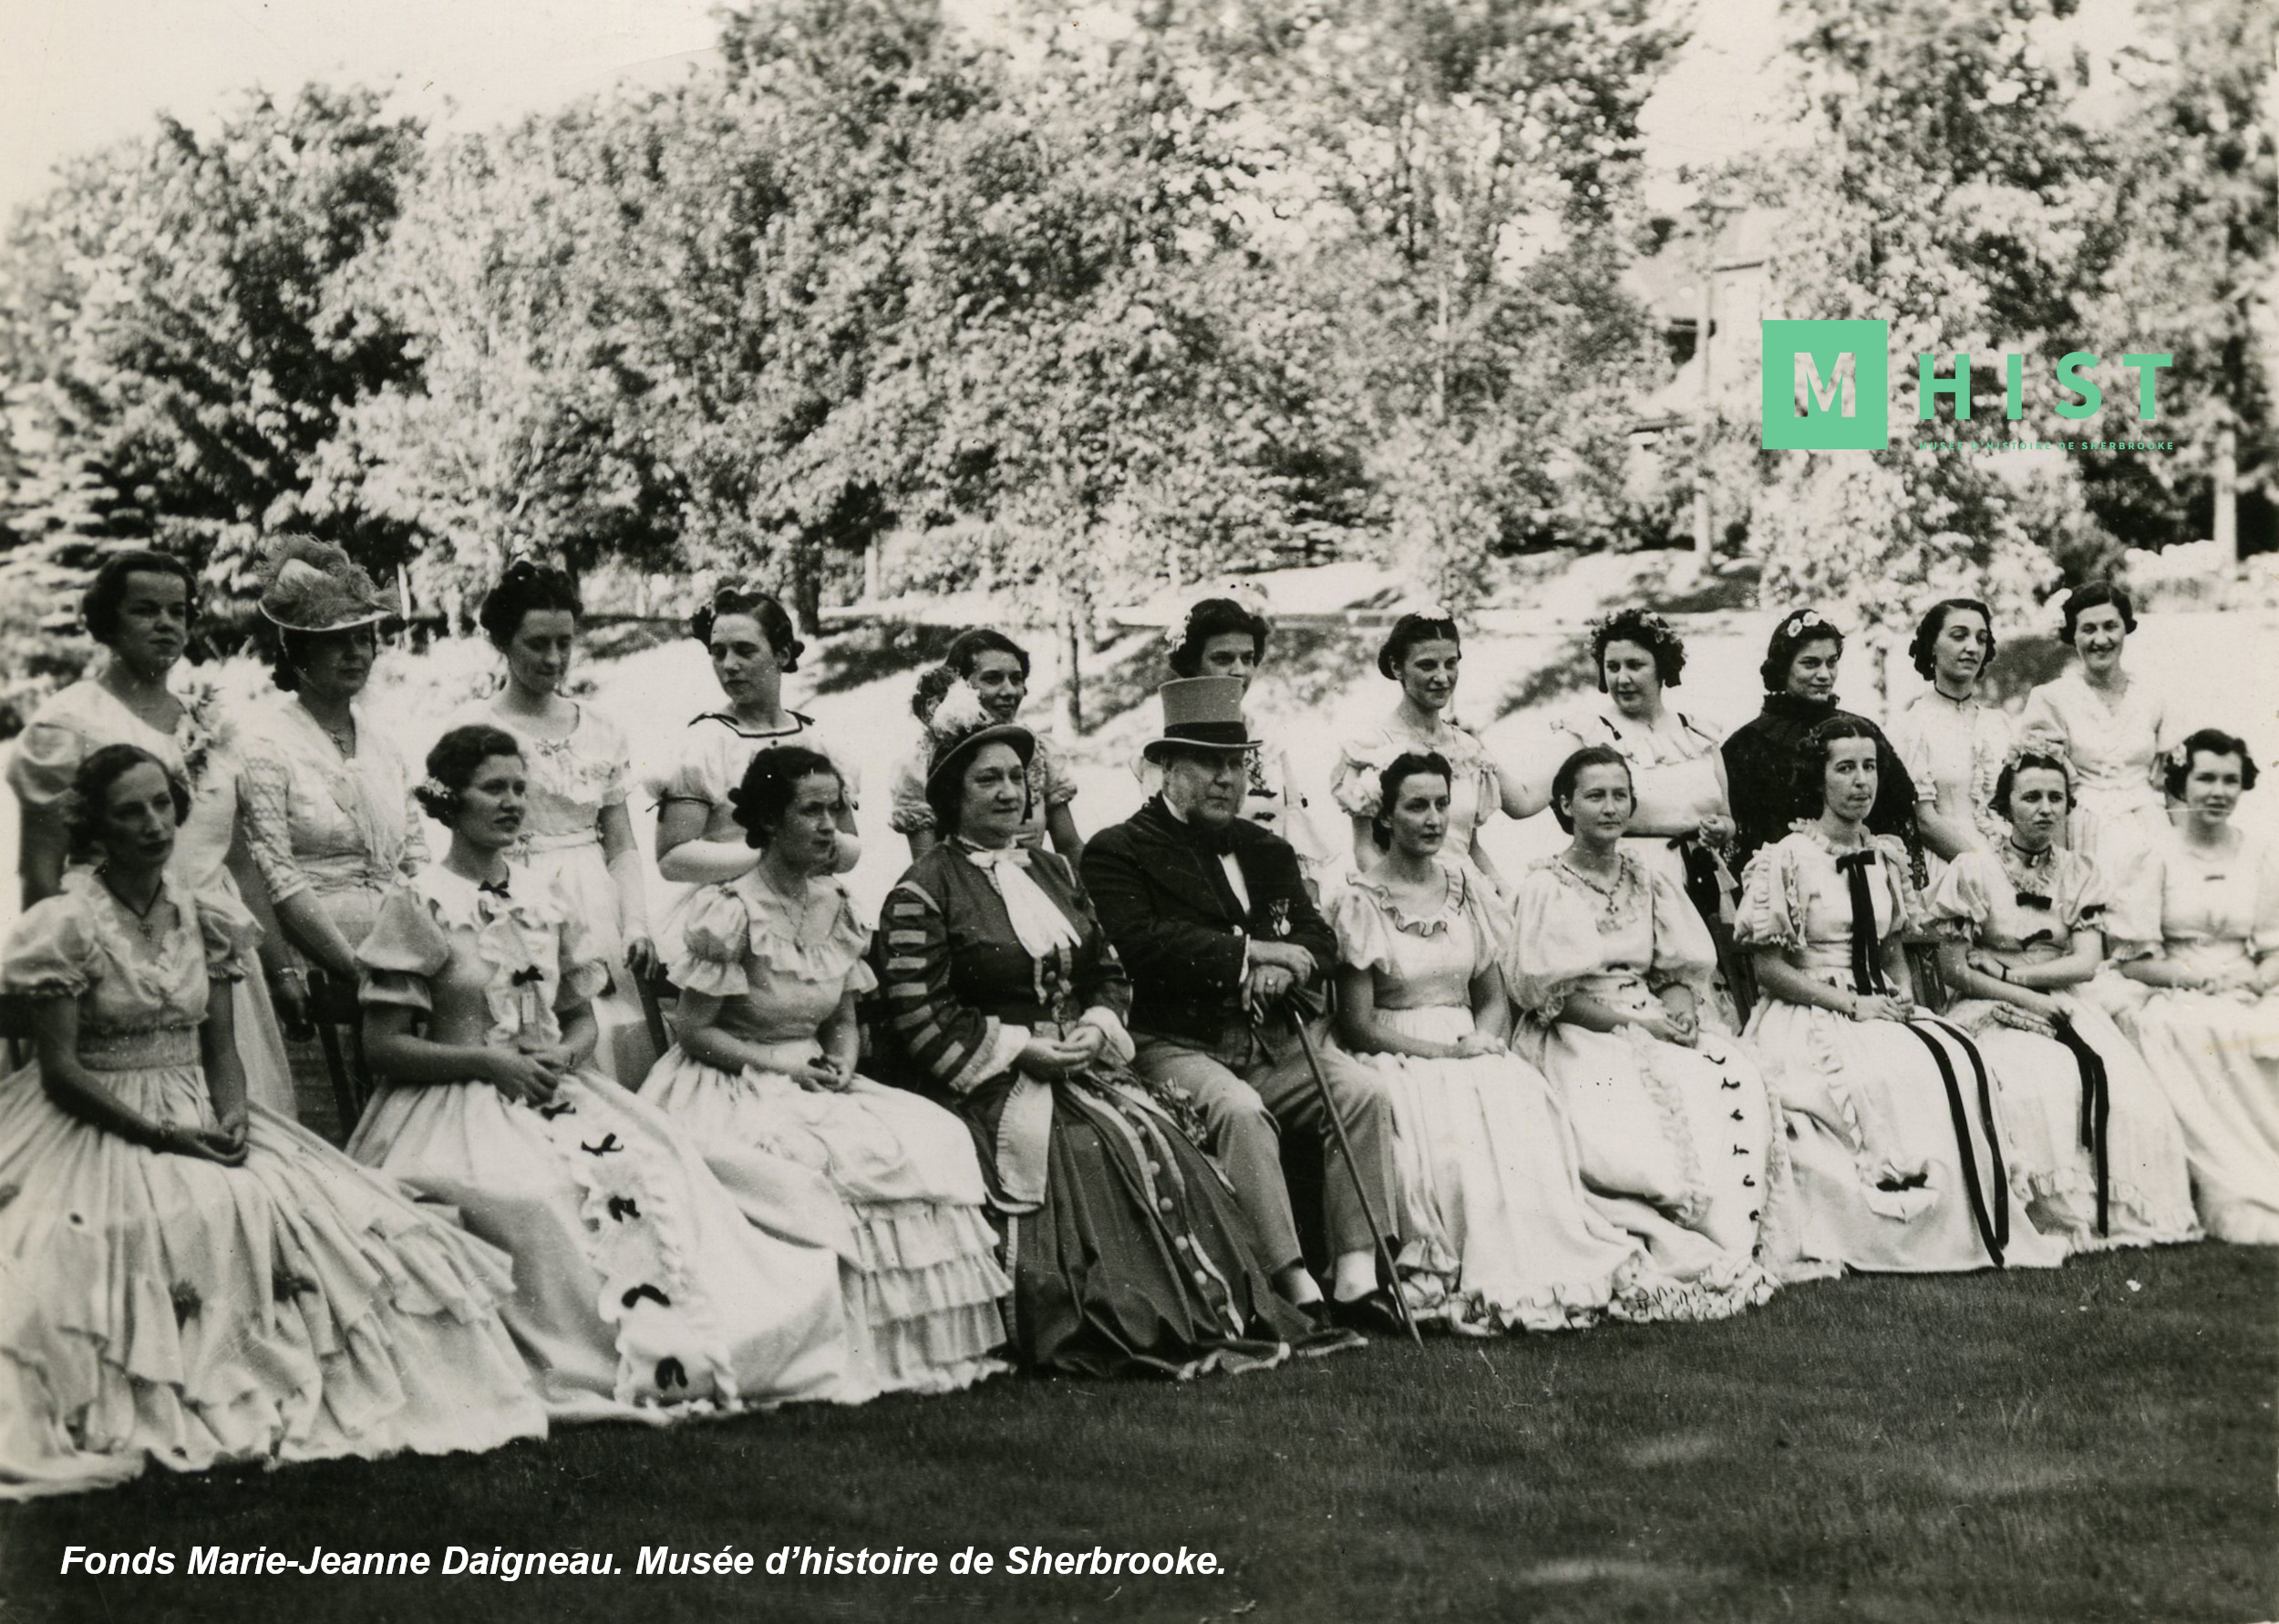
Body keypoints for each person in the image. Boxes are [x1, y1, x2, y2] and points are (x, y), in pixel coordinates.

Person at [0, 745, 544, 1496]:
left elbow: (219, 1047)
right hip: (94, 1113)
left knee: (316, 1216)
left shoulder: (207, 915)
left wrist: (231, 1117)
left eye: (162, 804)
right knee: (143, 1220)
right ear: (95, 826)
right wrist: (161, 1137)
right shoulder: (65, 923)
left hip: (198, 1100)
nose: (154, 824)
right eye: (130, 811)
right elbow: (59, 1071)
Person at [350, 726, 865, 1419]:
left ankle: (716, 1336)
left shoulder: (543, 894)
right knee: (535, 1195)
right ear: (448, 802)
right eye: (492, 789)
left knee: (666, 1167)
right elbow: (382, 1047)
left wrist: (566, 1054)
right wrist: (488, 1060)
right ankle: (592, 1355)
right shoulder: (420, 902)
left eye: (518, 789)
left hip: (557, 1089)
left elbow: (578, 1018)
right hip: (453, 1103)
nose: (510, 803)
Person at [874, 698, 1356, 1374]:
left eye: (1017, 776)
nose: (1011, 791)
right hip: (988, 1081)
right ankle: (1116, 1315)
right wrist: (1021, 1050)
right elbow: (920, 1013)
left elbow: (1107, 969)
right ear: (952, 795)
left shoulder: (1053, 873)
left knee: (1162, 1135)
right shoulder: (923, 890)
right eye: (988, 780)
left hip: (1080, 1065)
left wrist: (1099, 1025)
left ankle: (1214, 1309)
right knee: (1088, 1148)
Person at [644, 745, 1010, 1394]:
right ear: (768, 823)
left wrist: (841, 1060)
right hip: (728, 1078)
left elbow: (841, 1016)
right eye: (810, 811)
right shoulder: (728, 909)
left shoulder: (836, 902)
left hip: (815, 1073)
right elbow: (697, 1032)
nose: (828, 827)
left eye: (835, 810)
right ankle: (819, 1346)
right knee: (804, 1162)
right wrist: (780, 1068)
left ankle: (910, 1351)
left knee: (931, 1136)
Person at [1327, 750, 1702, 1331]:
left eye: (1441, 806)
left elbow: (1493, 997)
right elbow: (1357, 1024)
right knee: (1447, 1142)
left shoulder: (1466, 889)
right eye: (1417, 806)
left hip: (1471, 1039)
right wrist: (1447, 1054)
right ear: (1386, 817)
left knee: (1521, 1101)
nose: (1432, 820)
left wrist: (1485, 1044)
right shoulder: (1360, 901)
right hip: (1398, 1049)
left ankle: (1549, 1257)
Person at [1086, 677, 1408, 1332]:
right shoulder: (1118, 849)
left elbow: (1315, 936)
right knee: (1239, 1111)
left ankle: (1354, 1277)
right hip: (1174, 1043)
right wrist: (1252, 955)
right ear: (1166, 769)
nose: (1225, 779)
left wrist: (1289, 967)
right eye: (1207, 763)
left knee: (1363, 1094)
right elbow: (1140, 945)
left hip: (1270, 1042)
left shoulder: (1266, 848)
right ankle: (1288, 1286)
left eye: (1235, 764)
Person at [1733, 716, 2066, 1274]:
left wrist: (1905, 1004)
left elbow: (1892, 952)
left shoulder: (1885, 855)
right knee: (1880, 1080)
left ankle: (1969, 1227)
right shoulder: (1785, 857)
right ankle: (1897, 1228)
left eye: (1869, 768)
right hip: (1810, 1009)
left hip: (1880, 1004)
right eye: (1845, 768)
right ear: (1818, 779)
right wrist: (1852, 1006)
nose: (1861, 781)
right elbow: (1769, 969)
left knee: (1960, 1061)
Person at [7, 550, 294, 1117]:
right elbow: (41, 875)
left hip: (215, 958)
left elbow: (236, 861)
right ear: (106, 622)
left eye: (179, 611)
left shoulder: (207, 722)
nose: (167, 624)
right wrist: (80, 985)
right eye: (146, 610)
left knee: (246, 1130)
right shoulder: (68, 725)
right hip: (118, 970)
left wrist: (281, 967)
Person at [1503, 746, 1784, 1310]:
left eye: (1619, 796)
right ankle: (1668, 1230)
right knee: (1621, 1099)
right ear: (1565, 804)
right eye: (1595, 796)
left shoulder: (1648, 877)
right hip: (1581, 1029)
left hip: (1650, 1016)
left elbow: (1677, 968)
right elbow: (1554, 1000)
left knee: (1726, 1071)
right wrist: (1643, 1028)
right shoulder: (1546, 886)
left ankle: (1733, 1236)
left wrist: (1678, 1008)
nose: (1610, 808)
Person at [1925, 745, 2198, 1250]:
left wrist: (2017, 973)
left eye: (2056, 797)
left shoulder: (2080, 870)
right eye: (2031, 797)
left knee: (2133, 1094)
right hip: (1991, 1006)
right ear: (2004, 806)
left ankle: (2110, 1216)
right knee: (2037, 1084)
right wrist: (2017, 993)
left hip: (2065, 1000)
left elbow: (2086, 962)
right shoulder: (1971, 870)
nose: (2045, 808)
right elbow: (1955, 969)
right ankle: (2045, 1215)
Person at [455, 561, 658, 1086]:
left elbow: (622, 844)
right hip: (514, 897)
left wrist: (634, 920)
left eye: (565, 643)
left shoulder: (602, 728)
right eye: (537, 643)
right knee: (529, 1026)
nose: (553, 658)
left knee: (612, 1033)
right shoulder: (475, 729)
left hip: (595, 900)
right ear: (502, 641)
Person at [236, 538, 424, 1074]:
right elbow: (276, 874)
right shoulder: (266, 744)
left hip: (402, 953)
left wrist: (421, 947)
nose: (355, 654)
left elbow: (414, 855)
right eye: (336, 642)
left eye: (363, 639)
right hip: (317, 958)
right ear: (296, 653)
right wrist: (354, 969)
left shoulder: (384, 744)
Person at [1512, 607, 1747, 1017]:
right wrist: (1466, 753)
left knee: (1707, 995)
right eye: (1612, 666)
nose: (1623, 677)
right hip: (1636, 881)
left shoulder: (1697, 732)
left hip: (1704, 883)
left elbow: (1728, 816)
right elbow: (1526, 799)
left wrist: (1719, 830)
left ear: (1662, 668)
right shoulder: (1588, 731)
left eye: (1636, 665)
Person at [2105, 729, 2279, 1243]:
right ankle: (2235, 1185)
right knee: (2195, 1030)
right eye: (2206, 778)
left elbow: (2274, 948)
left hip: (2246, 983)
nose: (2218, 791)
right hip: (2173, 984)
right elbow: (2133, 961)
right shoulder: (2154, 853)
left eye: (2230, 780)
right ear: (2183, 782)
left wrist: (2255, 978)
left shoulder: (2259, 854)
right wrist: (2203, 978)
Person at [649, 586, 858, 959]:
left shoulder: (812, 740)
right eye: (718, 652)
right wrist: (769, 857)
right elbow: (672, 858)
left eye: (745, 651)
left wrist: (824, 850)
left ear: (781, 655)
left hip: (811, 911)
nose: (729, 665)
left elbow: (850, 846)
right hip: (732, 918)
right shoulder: (705, 743)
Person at [1334, 611, 1526, 893]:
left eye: (1450, 664)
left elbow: (1468, 846)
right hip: (1401, 894)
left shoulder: (1468, 748)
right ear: (1397, 668)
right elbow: (1365, 850)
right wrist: (1410, 900)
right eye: (1427, 666)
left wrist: (1499, 887)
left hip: (1467, 897)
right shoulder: (1370, 746)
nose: (1442, 677)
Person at [1141, 595, 1335, 875]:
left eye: (1248, 658)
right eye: (1222, 659)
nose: (1240, 671)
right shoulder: (1165, 747)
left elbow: (1294, 825)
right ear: (1191, 664)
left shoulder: (1268, 738)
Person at [1721, 609, 1921, 875]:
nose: (1825, 675)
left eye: (1831, 662)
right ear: (1783, 667)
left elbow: (1893, 818)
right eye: (1810, 663)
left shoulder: (1860, 732)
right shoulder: (1748, 744)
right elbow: (1737, 841)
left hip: (1859, 878)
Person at [2016, 582, 2174, 873]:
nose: (2100, 640)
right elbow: (2045, 789)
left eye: (2110, 626)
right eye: (2088, 629)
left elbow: (2174, 785)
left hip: (2151, 831)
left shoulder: (2154, 696)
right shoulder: (2051, 699)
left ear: (2125, 628)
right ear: (2072, 635)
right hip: (2085, 833)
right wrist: (2057, 866)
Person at [892, 629, 1082, 864]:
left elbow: (1070, 846)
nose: (1009, 691)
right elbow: (927, 868)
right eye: (992, 679)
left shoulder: (1038, 752)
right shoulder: (924, 762)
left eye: (1016, 679)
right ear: (960, 686)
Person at [1886, 597, 2013, 879]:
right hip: (1949, 868)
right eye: (1959, 636)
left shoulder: (2000, 723)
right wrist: (1986, 869)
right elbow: (1925, 821)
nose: (1972, 647)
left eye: (1981, 639)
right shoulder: (1911, 725)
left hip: (2009, 859)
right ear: (1932, 644)